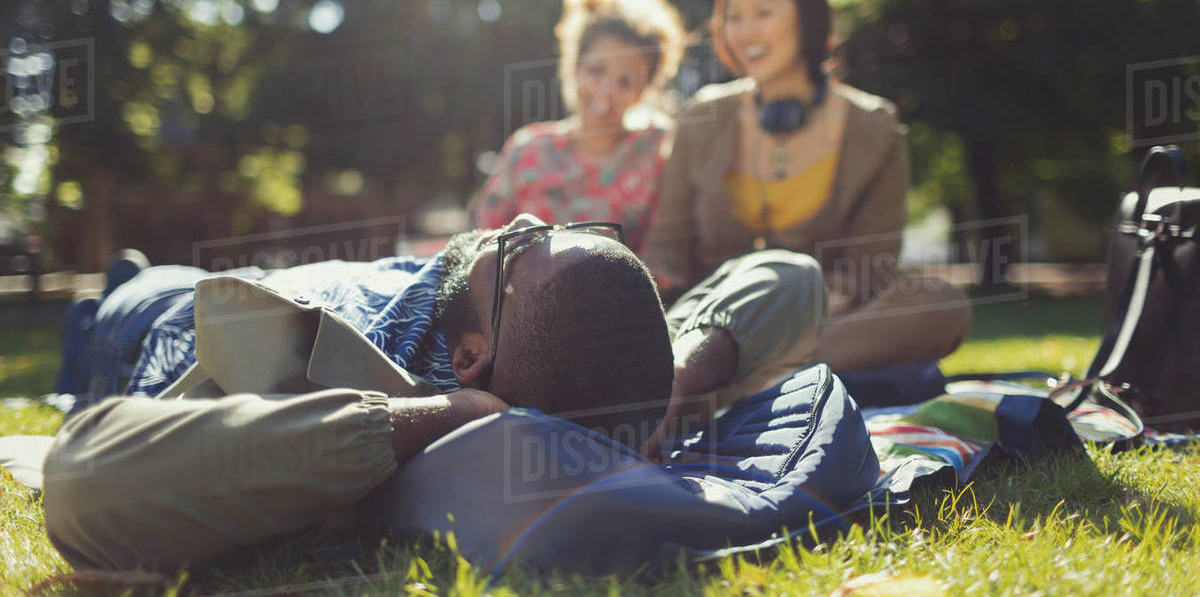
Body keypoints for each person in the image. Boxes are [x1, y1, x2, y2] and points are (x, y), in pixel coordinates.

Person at [42, 214, 827, 572]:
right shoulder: (572, 349)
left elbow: (82, 482)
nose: (518, 219)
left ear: (472, 356)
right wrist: (678, 382)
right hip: (271, 282)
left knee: (125, 291)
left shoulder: (334, 402)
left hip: (140, 323)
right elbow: (794, 275)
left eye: (520, 247)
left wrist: (440, 417)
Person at [643, 0, 970, 374]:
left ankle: (737, 376)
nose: (744, 31)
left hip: (821, 322)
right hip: (708, 319)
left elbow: (869, 268)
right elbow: (667, 249)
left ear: (809, 16)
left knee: (939, 303)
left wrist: (807, 310)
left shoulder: (874, 127)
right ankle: (734, 372)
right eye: (733, 16)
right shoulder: (702, 117)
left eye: (763, 12)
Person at [472, 0, 686, 253]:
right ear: (574, 69)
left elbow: (669, 256)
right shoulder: (527, 150)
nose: (606, 91)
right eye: (596, 71)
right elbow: (481, 246)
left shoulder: (657, 151)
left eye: (626, 81)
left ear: (644, 92)